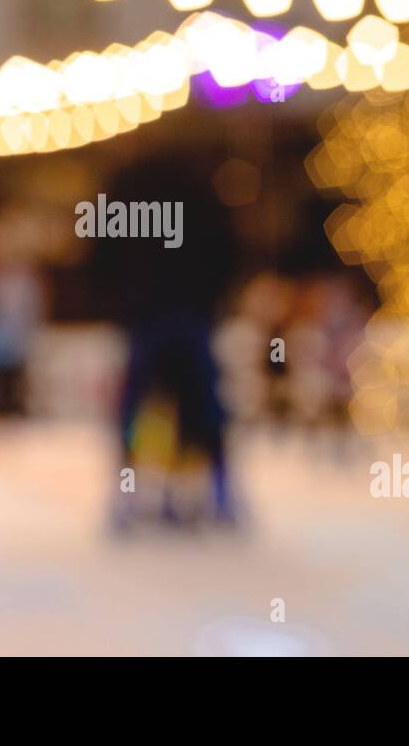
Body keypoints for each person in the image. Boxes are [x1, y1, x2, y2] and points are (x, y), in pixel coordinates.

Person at [95, 144, 240, 529]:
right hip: (183, 315)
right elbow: (227, 250)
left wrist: (121, 303)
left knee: (144, 407)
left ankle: (134, 493)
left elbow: (101, 254)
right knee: (200, 406)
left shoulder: (127, 187)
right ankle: (214, 491)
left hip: (152, 315)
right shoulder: (200, 189)